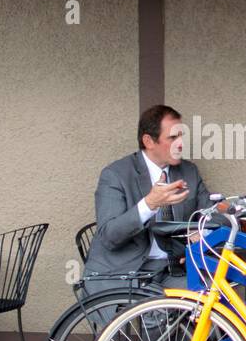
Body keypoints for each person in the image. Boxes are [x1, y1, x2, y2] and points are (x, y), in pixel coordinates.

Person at [84, 104, 212, 292]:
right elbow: (109, 236)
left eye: (181, 136)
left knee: (213, 298)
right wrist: (149, 204)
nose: (181, 144)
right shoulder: (115, 175)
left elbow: (211, 213)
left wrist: (202, 234)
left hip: (174, 269)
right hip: (128, 273)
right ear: (149, 141)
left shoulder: (188, 171)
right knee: (158, 312)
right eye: (173, 137)